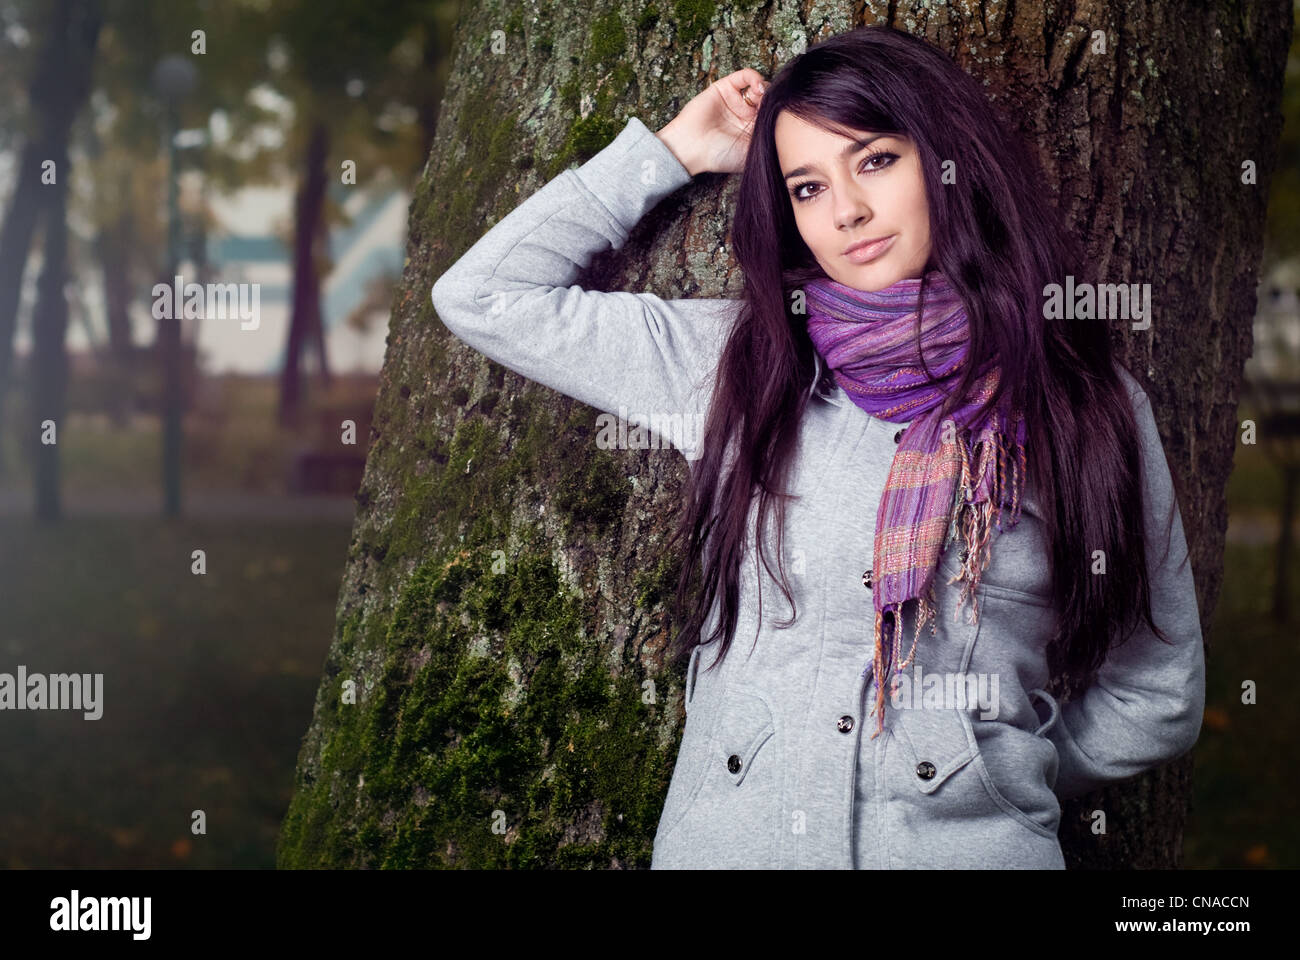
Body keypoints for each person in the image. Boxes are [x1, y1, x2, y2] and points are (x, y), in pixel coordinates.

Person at [431, 25, 1206, 870]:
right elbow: (482, 295)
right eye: (806, 186)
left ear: (949, 161)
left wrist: (985, 765)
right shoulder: (739, 365)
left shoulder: (1082, 402)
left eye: (875, 160)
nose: (846, 211)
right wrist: (673, 152)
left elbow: (1155, 696)